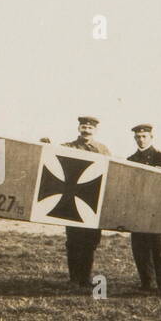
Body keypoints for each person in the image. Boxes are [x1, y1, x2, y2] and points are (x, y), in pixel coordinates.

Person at [61, 116, 110, 288]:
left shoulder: (103, 150)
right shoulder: (69, 147)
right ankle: (74, 278)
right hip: (72, 201)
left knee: (90, 242)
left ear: (95, 130)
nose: (86, 130)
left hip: (92, 202)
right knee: (74, 241)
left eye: (90, 127)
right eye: (84, 127)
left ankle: (86, 277)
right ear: (79, 128)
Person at [127, 124, 161, 293]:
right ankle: (146, 282)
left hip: (157, 208)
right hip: (138, 209)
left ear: (151, 137)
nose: (141, 140)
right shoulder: (131, 160)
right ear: (135, 138)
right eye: (138, 137)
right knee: (140, 247)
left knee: (160, 246)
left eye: (144, 136)